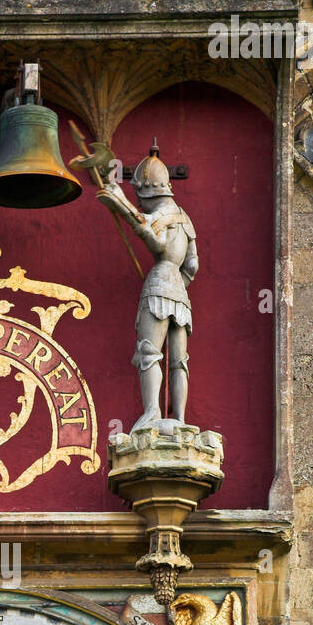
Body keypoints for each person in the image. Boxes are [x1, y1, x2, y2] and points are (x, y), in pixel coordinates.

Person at [97, 141, 198, 432]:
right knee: (179, 361)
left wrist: (121, 203)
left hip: (158, 285)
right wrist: (178, 285)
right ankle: (179, 418)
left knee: (148, 352)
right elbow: (192, 265)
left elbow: (156, 240)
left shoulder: (160, 216)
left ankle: (152, 412)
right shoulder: (185, 219)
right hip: (180, 291)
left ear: (146, 190)